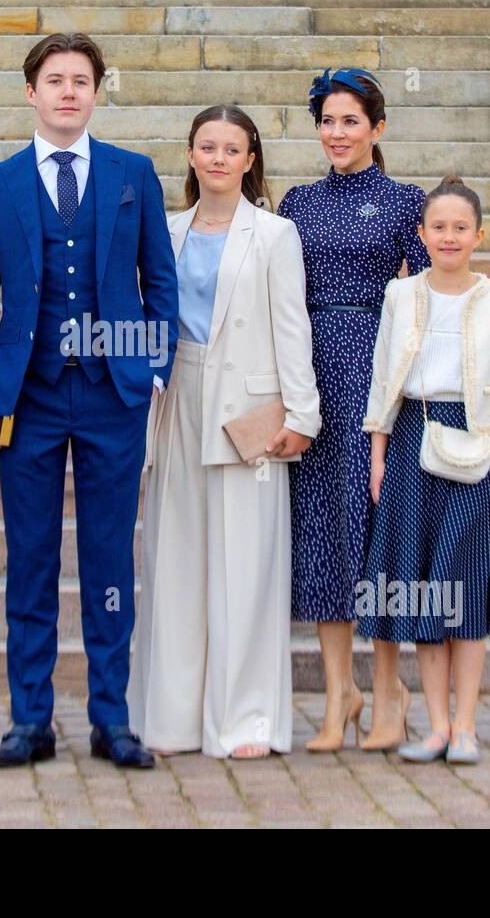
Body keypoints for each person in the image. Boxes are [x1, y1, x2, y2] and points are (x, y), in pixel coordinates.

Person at [278, 66, 490, 752]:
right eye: (327, 120)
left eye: (350, 121)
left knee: (381, 536)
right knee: (325, 531)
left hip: (384, 373)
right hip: (312, 369)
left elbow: (438, 295)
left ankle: (390, 690)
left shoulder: (402, 203)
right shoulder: (296, 202)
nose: (337, 132)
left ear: (377, 127)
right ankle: (339, 694)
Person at [0, 33, 178, 770]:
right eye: (55, 80)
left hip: (114, 395)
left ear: (96, 91)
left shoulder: (131, 173)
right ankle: (31, 720)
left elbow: (161, 281)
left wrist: (152, 364)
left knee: (110, 559)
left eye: (82, 80)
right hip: (31, 396)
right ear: (32, 92)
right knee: (32, 558)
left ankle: (112, 720)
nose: (69, 92)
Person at [128, 105, 320, 759]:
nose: (217, 157)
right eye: (206, 146)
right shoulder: (167, 229)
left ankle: (246, 720)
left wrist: (303, 413)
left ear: (249, 158)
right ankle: (173, 718)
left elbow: (292, 326)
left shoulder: (275, 234)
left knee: (246, 565)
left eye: (230, 148)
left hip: (249, 408)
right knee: (176, 558)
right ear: (189, 154)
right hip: (178, 395)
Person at [359, 175, 490, 765]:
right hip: (411, 440)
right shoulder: (400, 295)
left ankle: (467, 726)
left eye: (460, 228)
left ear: (478, 235)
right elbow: (384, 376)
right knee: (425, 589)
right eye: (438, 227)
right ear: (422, 234)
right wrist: (378, 457)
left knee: (465, 582)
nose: (448, 237)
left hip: (476, 447)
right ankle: (433, 726)